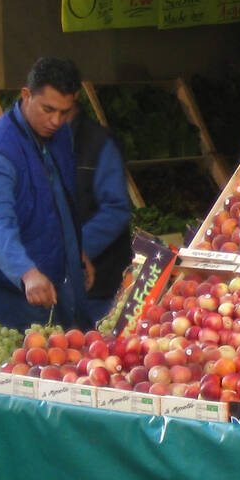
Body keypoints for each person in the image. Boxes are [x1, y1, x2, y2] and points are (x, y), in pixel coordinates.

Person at [0, 57, 93, 331]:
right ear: (26, 95)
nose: (56, 120)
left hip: (58, 286)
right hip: (10, 297)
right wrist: (27, 272)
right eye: (48, 109)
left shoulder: (58, 137)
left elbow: (59, 202)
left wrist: (74, 253)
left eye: (64, 112)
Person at [71, 110, 134, 327]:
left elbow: (116, 208)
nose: (52, 120)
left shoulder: (99, 143)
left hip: (101, 280)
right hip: (59, 283)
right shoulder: (36, 143)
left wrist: (74, 249)